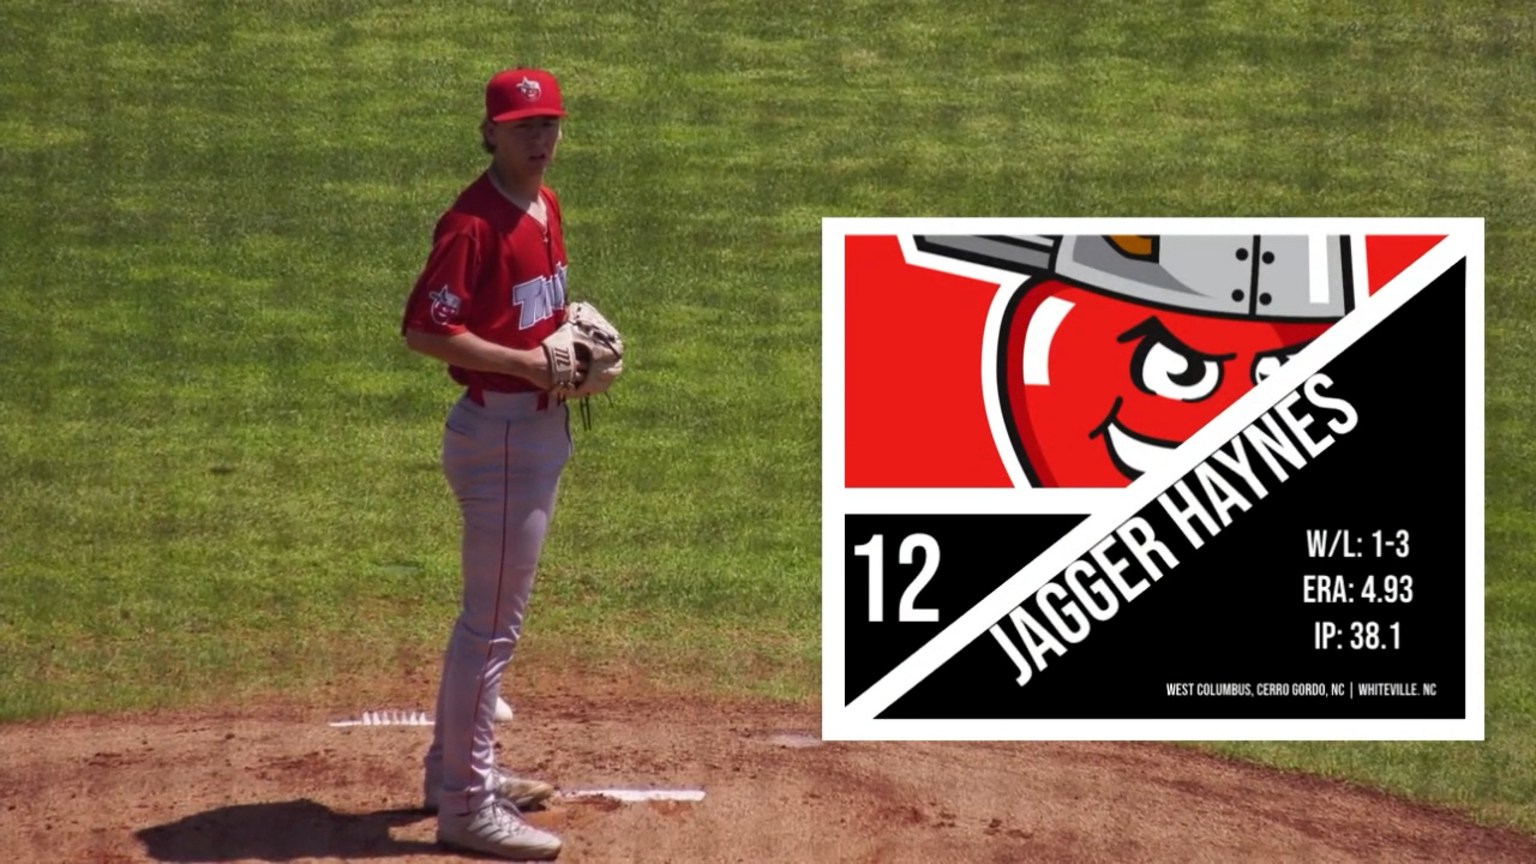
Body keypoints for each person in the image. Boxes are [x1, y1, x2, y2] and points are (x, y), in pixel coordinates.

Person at [398, 66, 579, 861]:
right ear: (490, 133)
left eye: (548, 124)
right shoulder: (471, 224)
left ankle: (452, 774)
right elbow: (425, 330)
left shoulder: (545, 206)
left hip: (534, 431)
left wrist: (571, 354)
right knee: (489, 629)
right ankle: (467, 808)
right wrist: (529, 365)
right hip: (500, 439)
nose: (539, 138)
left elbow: (533, 317)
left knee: (490, 623)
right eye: (522, 127)